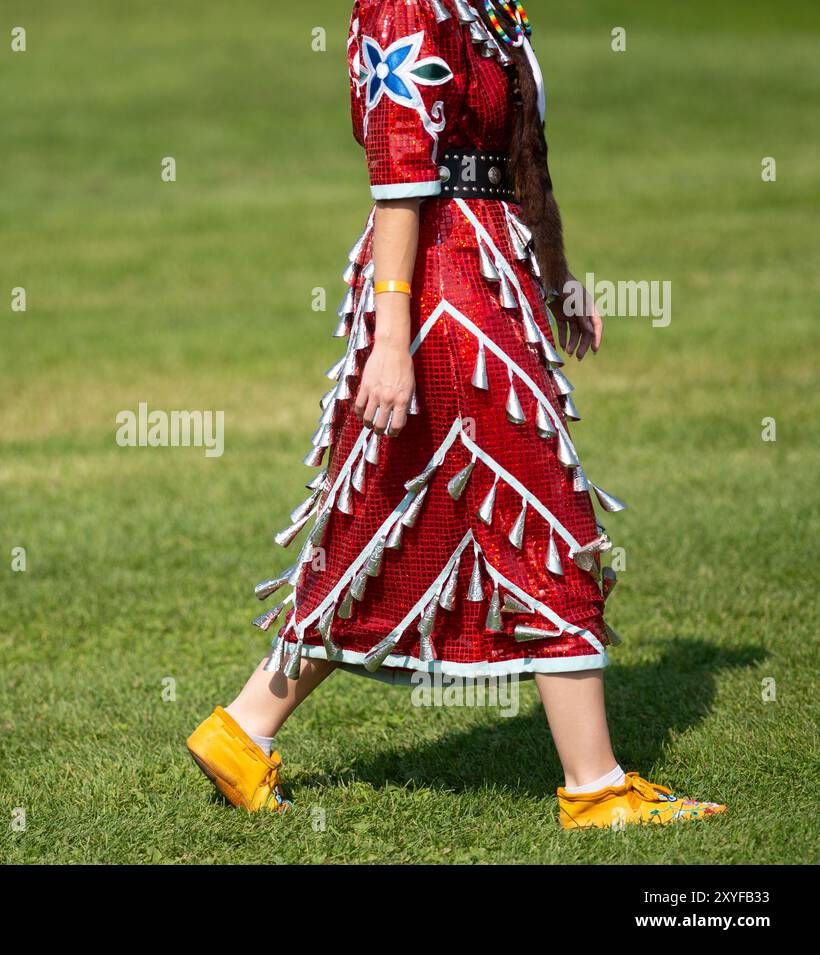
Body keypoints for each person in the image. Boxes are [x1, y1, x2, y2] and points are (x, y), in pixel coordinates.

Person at [186, 0, 724, 829]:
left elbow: (521, 153)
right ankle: (596, 786)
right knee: (541, 505)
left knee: (390, 520)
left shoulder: (487, 8)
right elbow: (399, 174)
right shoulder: (404, 4)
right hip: (445, 287)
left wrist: (555, 273)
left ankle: (241, 731)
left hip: (490, 261)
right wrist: (391, 340)